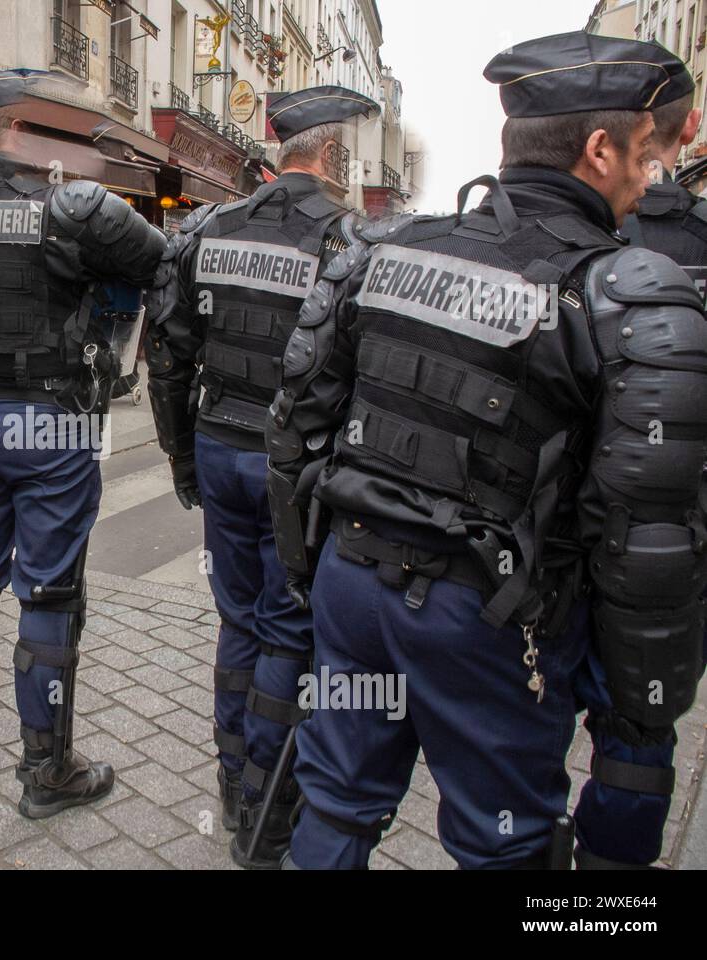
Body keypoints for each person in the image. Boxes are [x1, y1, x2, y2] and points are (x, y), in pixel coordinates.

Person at [264, 32, 707, 869]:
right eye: (645, 155)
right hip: (492, 626)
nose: (650, 179)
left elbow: (294, 425)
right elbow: (651, 545)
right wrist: (637, 719)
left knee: (334, 805)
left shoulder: (382, 250)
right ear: (600, 148)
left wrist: (306, 573)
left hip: (351, 590)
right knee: (498, 844)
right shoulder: (624, 295)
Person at [0, 70, 165, 817]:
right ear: (33, 130)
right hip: (52, 423)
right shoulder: (75, 205)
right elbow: (162, 267)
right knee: (48, 594)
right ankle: (47, 772)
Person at [146, 86, 377, 868]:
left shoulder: (207, 228)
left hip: (218, 442)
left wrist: (182, 457)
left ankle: (232, 776)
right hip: (296, 467)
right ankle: (265, 812)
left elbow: (167, 357)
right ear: (332, 156)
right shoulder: (350, 240)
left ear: (277, 150)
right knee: (286, 628)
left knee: (238, 620)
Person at [572, 70, 707, 869]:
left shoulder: (571, 238)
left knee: (535, 712)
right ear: (682, 135)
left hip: (556, 526)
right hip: (667, 535)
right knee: (639, 729)